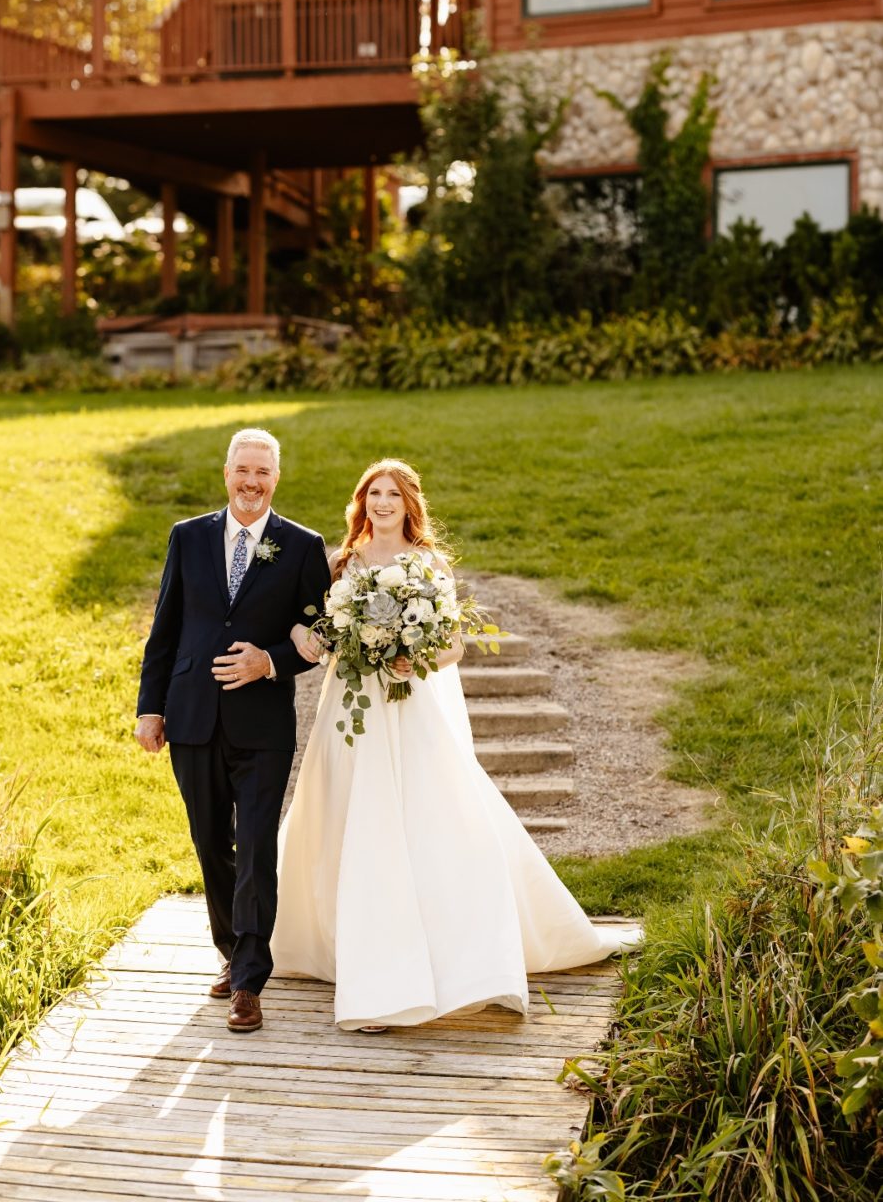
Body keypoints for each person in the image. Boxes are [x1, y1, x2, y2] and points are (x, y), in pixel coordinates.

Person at [271, 457, 638, 1032]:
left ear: (409, 503)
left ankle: (460, 957)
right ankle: (353, 950)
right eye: (374, 494)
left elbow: (453, 650)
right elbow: (323, 636)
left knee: (432, 819)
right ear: (362, 503)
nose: (382, 503)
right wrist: (315, 638)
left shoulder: (428, 564)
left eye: (393, 494)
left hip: (409, 705)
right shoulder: (343, 562)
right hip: (353, 709)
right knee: (348, 816)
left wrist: (407, 654)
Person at [134, 427, 329, 1034]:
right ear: (227, 473)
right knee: (210, 841)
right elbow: (165, 629)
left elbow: (321, 636)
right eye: (243, 471)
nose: (252, 483)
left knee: (256, 847)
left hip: (263, 723)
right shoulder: (187, 537)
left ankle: (249, 977)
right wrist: (150, 708)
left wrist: (269, 660)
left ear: (277, 479)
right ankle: (229, 950)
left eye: (263, 474)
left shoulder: (301, 546)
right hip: (191, 715)